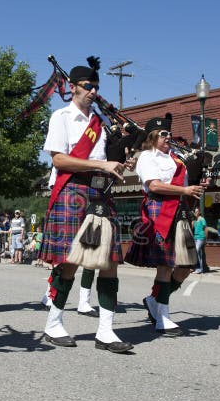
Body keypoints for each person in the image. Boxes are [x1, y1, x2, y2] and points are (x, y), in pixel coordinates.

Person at [38, 59, 134, 353]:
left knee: (108, 261)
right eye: (87, 86)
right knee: (68, 263)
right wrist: (98, 163)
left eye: (96, 87)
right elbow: (59, 160)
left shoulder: (102, 124)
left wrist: (120, 162)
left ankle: (106, 331)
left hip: (99, 192)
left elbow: (106, 161)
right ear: (73, 88)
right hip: (71, 190)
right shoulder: (61, 117)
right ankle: (54, 323)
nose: (93, 91)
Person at [125, 116, 205, 334]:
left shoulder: (176, 159)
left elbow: (185, 185)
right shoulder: (147, 158)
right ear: (152, 137)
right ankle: (163, 317)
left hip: (179, 211)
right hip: (160, 211)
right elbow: (155, 185)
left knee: (187, 266)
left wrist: (195, 188)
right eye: (163, 134)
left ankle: (154, 300)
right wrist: (184, 191)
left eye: (168, 134)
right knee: (166, 265)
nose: (167, 137)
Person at [193, 206, 208, 274]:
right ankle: (200, 268)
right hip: (195, 237)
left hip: (201, 238)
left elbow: (206, 229)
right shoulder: (195, 220)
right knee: (198, 253)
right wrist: (193, 220)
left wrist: (205, 239)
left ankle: (199, 268)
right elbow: (192, 227)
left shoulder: (202, 219)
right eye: (195, 212)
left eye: (197, 211)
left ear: (199, 212)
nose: (195, 213)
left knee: (196, 251)